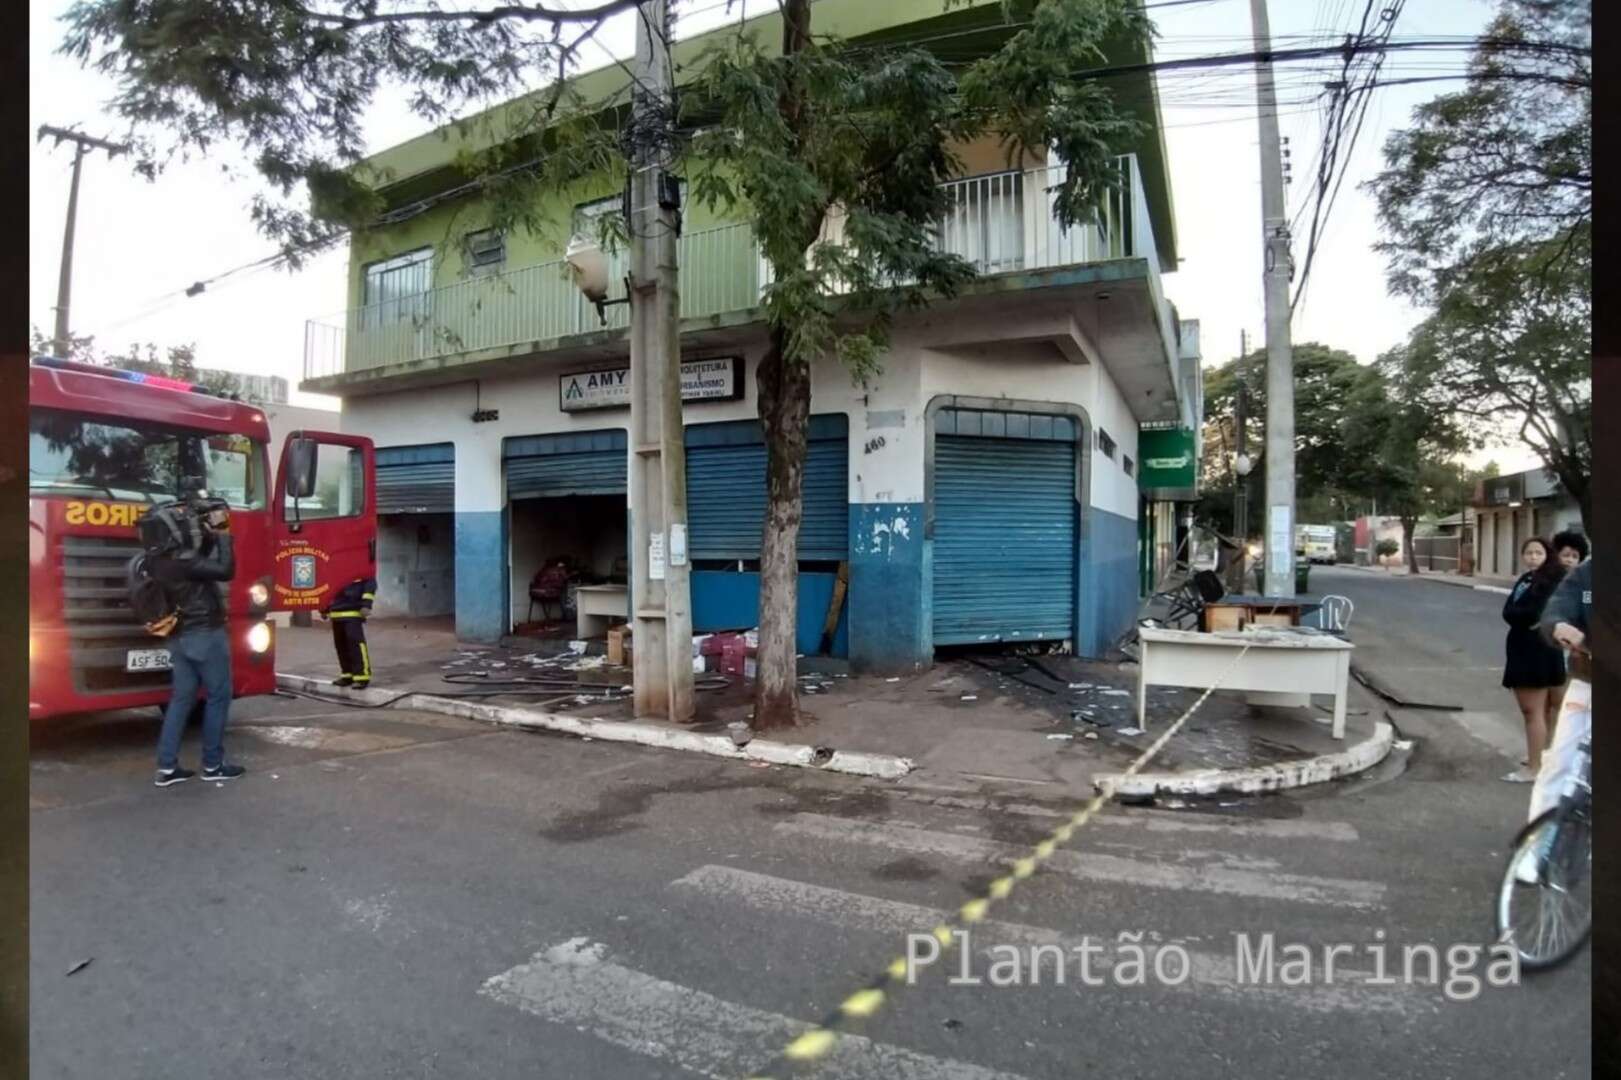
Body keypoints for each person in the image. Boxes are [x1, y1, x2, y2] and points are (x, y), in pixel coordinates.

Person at [147, 501, 245, 787]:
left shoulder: (159, 560)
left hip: (180, 636)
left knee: (181, 699)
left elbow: (198, 562)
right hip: (205, 634)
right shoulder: (184, 561)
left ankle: (167, 767)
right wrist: (224, 533)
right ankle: (213, 765)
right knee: (218, 696)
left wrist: (208, 535)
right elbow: (225, 570)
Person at [1514, 554, 1592, 883]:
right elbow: (1560, 605)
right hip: (1590, 682)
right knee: (1560, 765)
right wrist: (1559, 625)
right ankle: (1536, 853)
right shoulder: (1592, 572)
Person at [1499, 537, 1568, 782]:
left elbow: (1532, 613)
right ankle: (1541, 757)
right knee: (1546, 709)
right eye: (1529, 553)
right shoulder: (1528, 579)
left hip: (1544, 649)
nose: (1533, 557)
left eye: (1538, 553)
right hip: (1533, 646)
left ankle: (1536, 767)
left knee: (1536, 710)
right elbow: (1509, 611)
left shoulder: (1572, 581)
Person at [323, 575, 377, 687]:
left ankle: (362, 676)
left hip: (353, 613)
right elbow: (327, 588)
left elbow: (370, 584)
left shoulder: (361, 568)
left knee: (356, 645)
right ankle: (347, 675)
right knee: (341, 646)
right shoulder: (335, 568)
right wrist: (324, 608)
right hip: (336, 613)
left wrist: (367, 604)